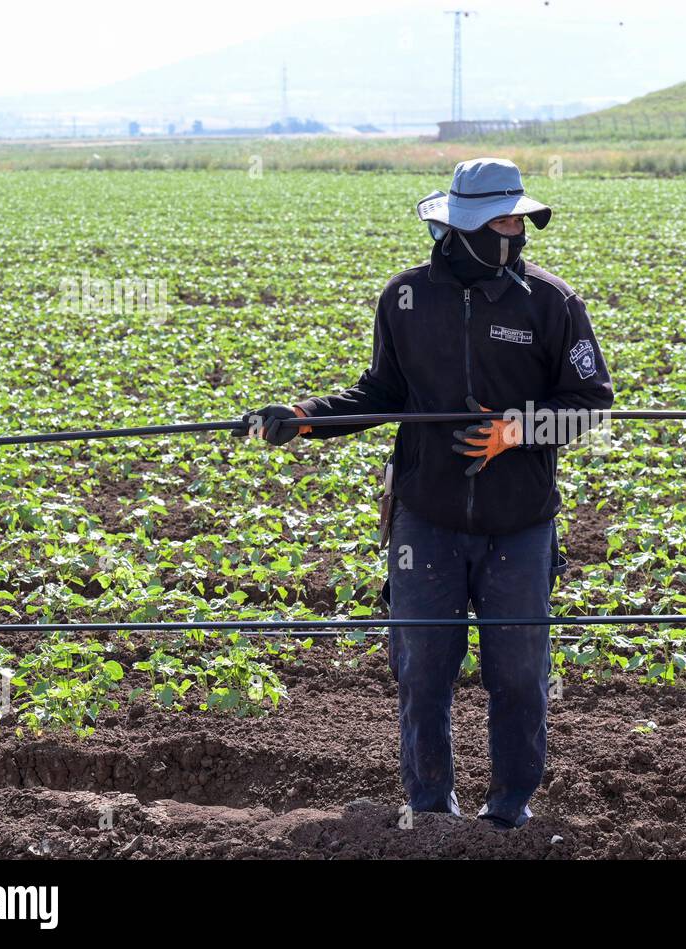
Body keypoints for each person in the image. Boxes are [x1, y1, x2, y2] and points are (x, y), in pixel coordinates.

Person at [240, 157, 614, 829]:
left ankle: (508, 812)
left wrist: (517, 430)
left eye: (520, 220)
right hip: (427, 519)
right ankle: (430, 810)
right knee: (422, 671)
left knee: (520, 676)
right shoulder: (405, 299)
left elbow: (590, 406)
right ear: (462, 228)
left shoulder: (551, 302)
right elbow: (381, 394)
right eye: (503, 220)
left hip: (519, 522)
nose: (517, 231)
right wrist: (303, 418)